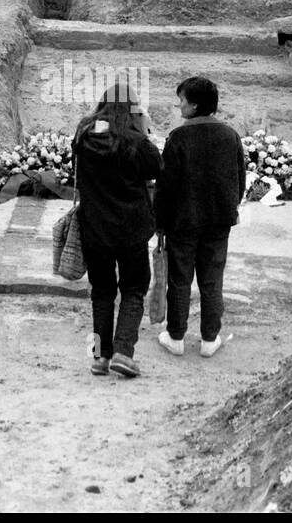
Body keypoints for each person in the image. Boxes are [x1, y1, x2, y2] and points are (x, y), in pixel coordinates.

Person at [73, 79, 161, 378]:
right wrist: (143, 127)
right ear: (132, 111)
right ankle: (124, 352)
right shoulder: (135, 141)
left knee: (101, 293)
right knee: (134, 290)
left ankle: (100, 357)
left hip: (94, 229)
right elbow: (156, 168)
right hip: (131, 230)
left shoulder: (84, 136)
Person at [154, 77, 245, 358]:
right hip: (219, 220)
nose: (178, 105)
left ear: (194, 105)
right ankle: (209, 339)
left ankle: (176, 336)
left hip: (183, 222)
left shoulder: (178, 138)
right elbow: (239, 180)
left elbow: (165, 186)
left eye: (181, 100)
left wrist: (160, 222)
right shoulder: (230, 136)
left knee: (180, 279)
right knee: (212, 279)